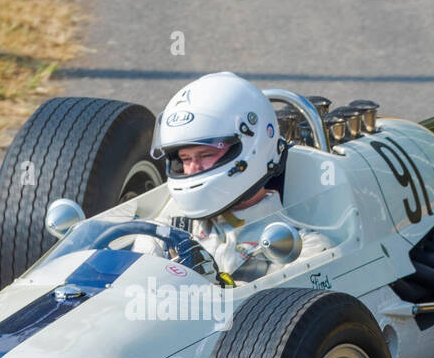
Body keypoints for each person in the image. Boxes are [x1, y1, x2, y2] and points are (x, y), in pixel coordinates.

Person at [140, 71, 332, 281]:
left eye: (206, 155)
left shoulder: (301, 248)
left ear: (255, 150)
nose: (192, 168)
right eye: (185, 158)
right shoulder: (169, 223)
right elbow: (131, 284)